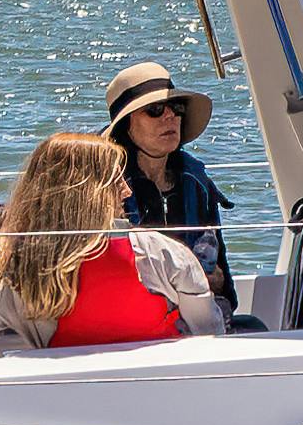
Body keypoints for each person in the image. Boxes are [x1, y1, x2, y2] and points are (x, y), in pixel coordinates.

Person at [0, 133, 232, 354]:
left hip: (68, 397)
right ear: (88, 194)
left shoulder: (5, 260)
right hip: (162, 388)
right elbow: (209, 333)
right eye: (116, 181)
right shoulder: (161, 253)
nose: (126, 190)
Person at [100, 59, 237, 303]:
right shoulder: (103, 186)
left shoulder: (197, 181)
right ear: (126, 126)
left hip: (196, 314)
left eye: (176, 107)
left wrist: (216, 281)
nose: (170, 116)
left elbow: (223, 279)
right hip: (133, 313)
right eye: (155, 110)